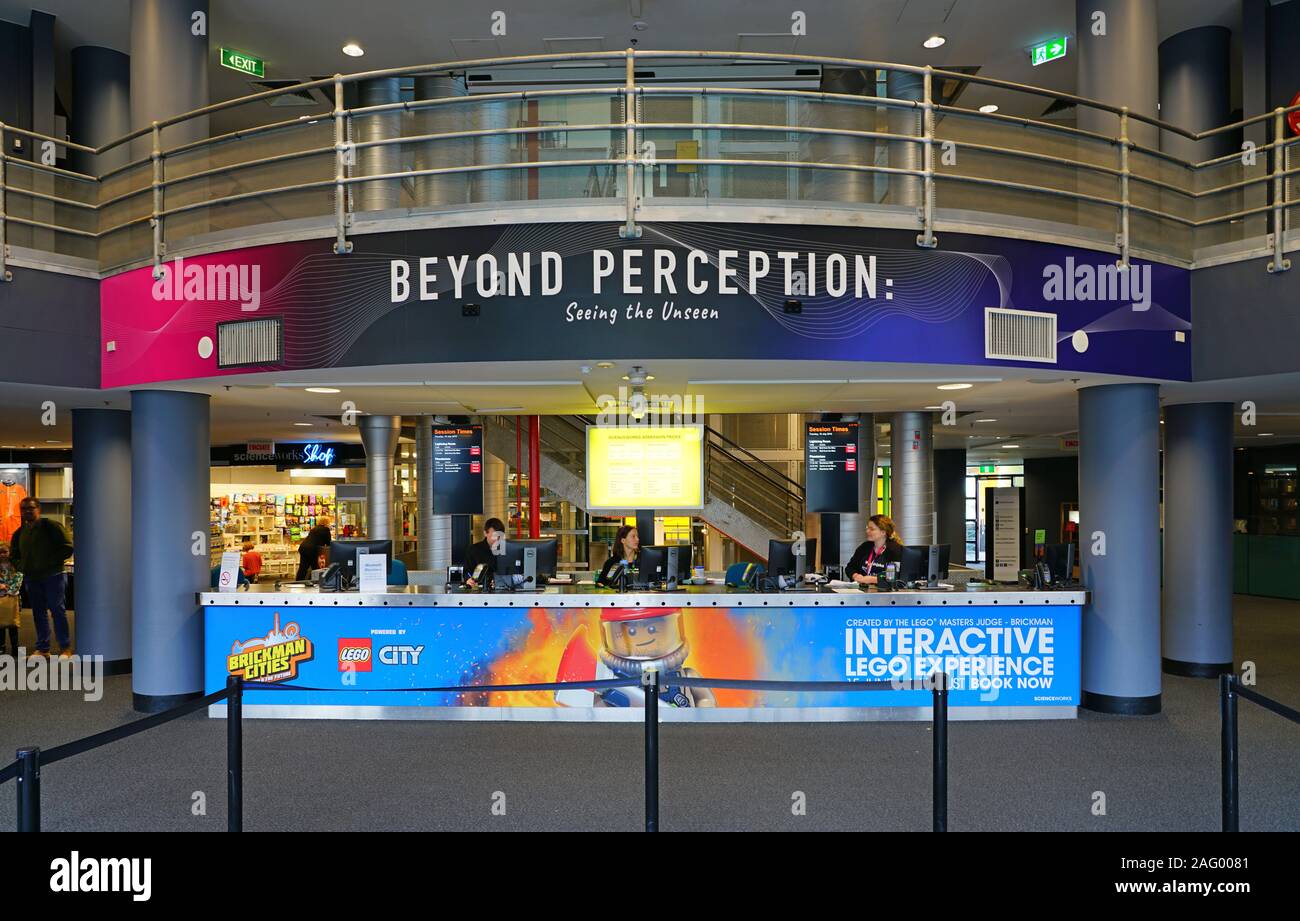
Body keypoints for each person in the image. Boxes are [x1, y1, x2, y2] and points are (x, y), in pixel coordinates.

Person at [10, 497, 74, 657]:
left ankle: (65, 648)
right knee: (38, 612)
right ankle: (43, 648)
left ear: (38, 509)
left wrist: (49, 562)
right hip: (32, 578)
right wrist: (23, 567)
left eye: (30, 508)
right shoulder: (19, 533)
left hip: (54, 575)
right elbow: (14, 555)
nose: (27, 511)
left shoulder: (50, 526)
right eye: (23, 509)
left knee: (57, 610)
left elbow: (67, 547)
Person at [846, 514, 905, 586]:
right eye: (867, 528)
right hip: (862, 591)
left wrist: (871, 579)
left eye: (872, 529)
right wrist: (855, 576)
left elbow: (893, 577)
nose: (867, 531)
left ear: (883, 532)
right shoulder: (865, 547)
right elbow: (850, 568)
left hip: (885, 594)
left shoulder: (895, 550)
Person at [463, 517, 505, 589]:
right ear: (485, 533)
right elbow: (467, 571)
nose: (497, 539)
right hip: (479, 590)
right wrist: (469, 579)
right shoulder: (474, 550)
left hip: (503, 588)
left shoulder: (506, 550)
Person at [295, 515, 333, 581]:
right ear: (326, 522)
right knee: (315, 567)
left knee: (303, 567)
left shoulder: (314, 528)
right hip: (312, 550)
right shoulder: (326, 529)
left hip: (303, 547)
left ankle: (298, 581)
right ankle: (314, 581)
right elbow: (328, 543)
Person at [0, 541, 21, 656]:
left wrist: (9, 590)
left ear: (9, 552)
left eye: (5, 552)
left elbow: (19, 578)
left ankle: (15, 647)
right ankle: (1, 647)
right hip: (0, 598)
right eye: (0, 552)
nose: (2, 554)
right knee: (0, 624)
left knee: (13, 624)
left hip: (13, 598)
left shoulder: (15, 565)